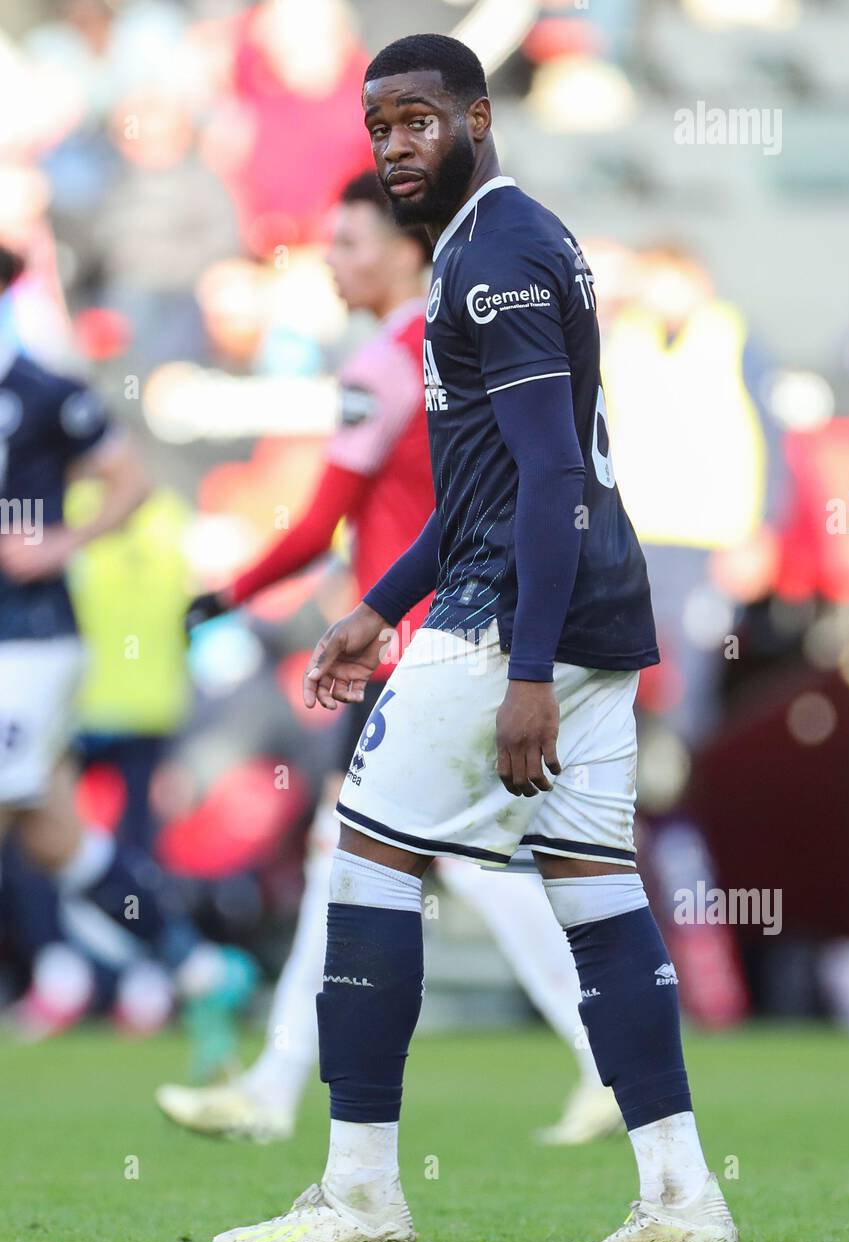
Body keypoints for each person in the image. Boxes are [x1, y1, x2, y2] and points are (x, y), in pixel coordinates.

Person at [210, 33, 738, 1242]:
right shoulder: (504, 238)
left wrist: (526, 671)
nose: (395, 146)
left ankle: (358, 1193)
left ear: (478, 117)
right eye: (378, 126)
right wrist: (379, 604)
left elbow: (549, 476)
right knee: (595, 891)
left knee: (364, 858)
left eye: (417, 121)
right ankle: (680, 1193)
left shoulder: (492, 257)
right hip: (588, 607)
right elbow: (487, 483)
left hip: (514, 618)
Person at [157, 171, 620, 1146]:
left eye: (350, 243)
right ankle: (279, 1085)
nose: (331, 262)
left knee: (415, 859)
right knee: (405, 858)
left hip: (417, 646)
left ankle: (599, 1059)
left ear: (409, 249)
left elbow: (320, 520)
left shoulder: (389, 359)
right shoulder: (466, 343)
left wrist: (227, 593)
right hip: (461, 632)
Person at [0, 245, 255, 1058]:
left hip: (30, 642)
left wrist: (58, 544)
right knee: (51, 832)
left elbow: (128, 479)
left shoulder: (44, 392)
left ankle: (75, 976)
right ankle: (197, 967)